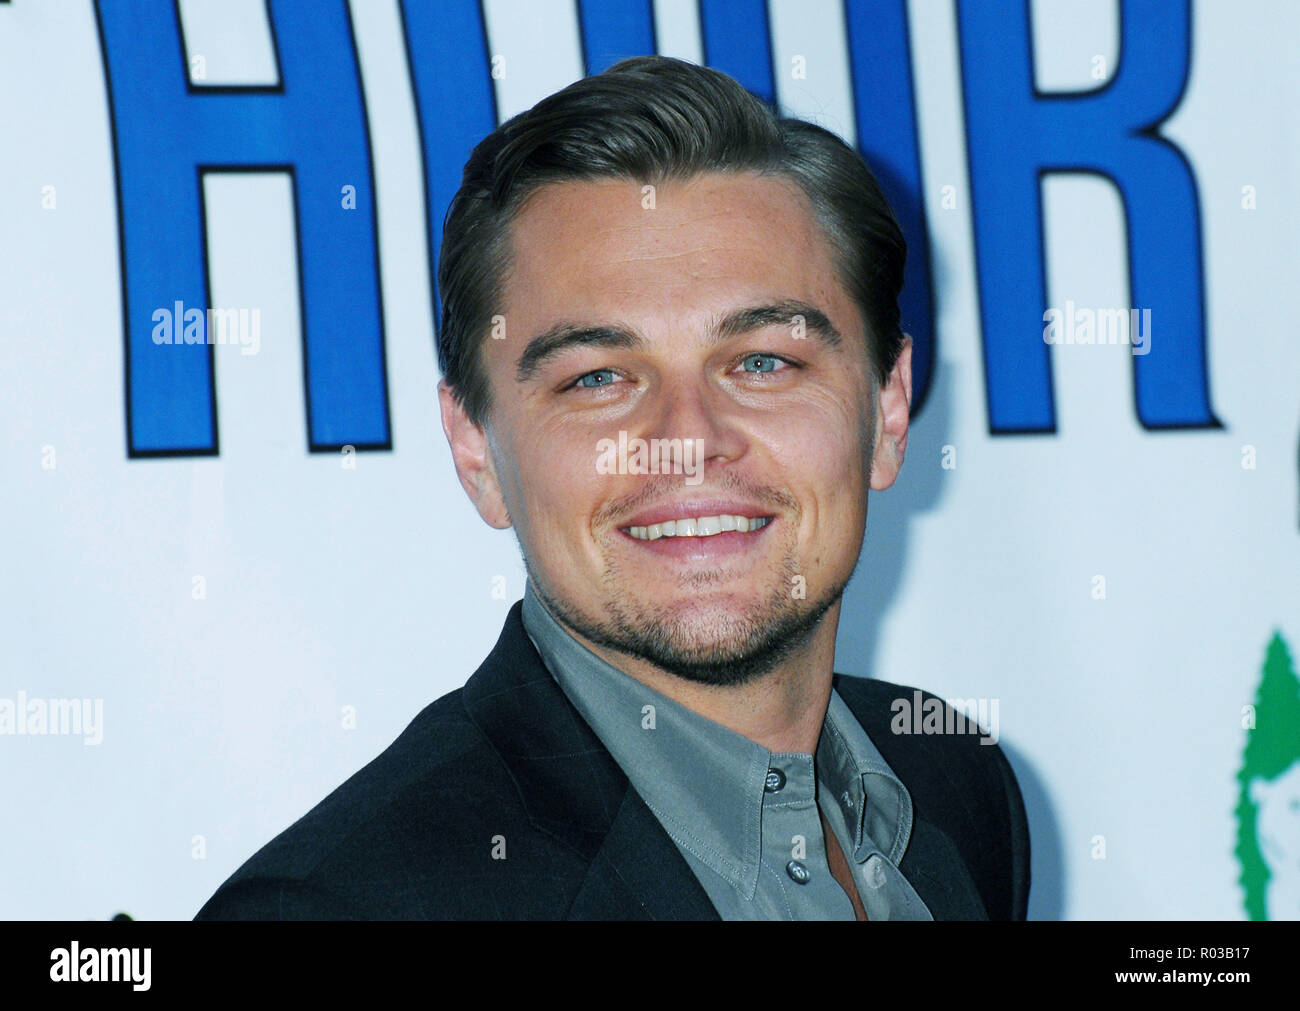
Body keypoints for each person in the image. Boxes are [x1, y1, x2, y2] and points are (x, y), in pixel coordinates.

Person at [196, 55, 1029, 921]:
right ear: (476, 450)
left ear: (888, 411)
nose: (687, 442)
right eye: (598, 379)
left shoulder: (954, 786)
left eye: (762, 361)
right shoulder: (340, 910)